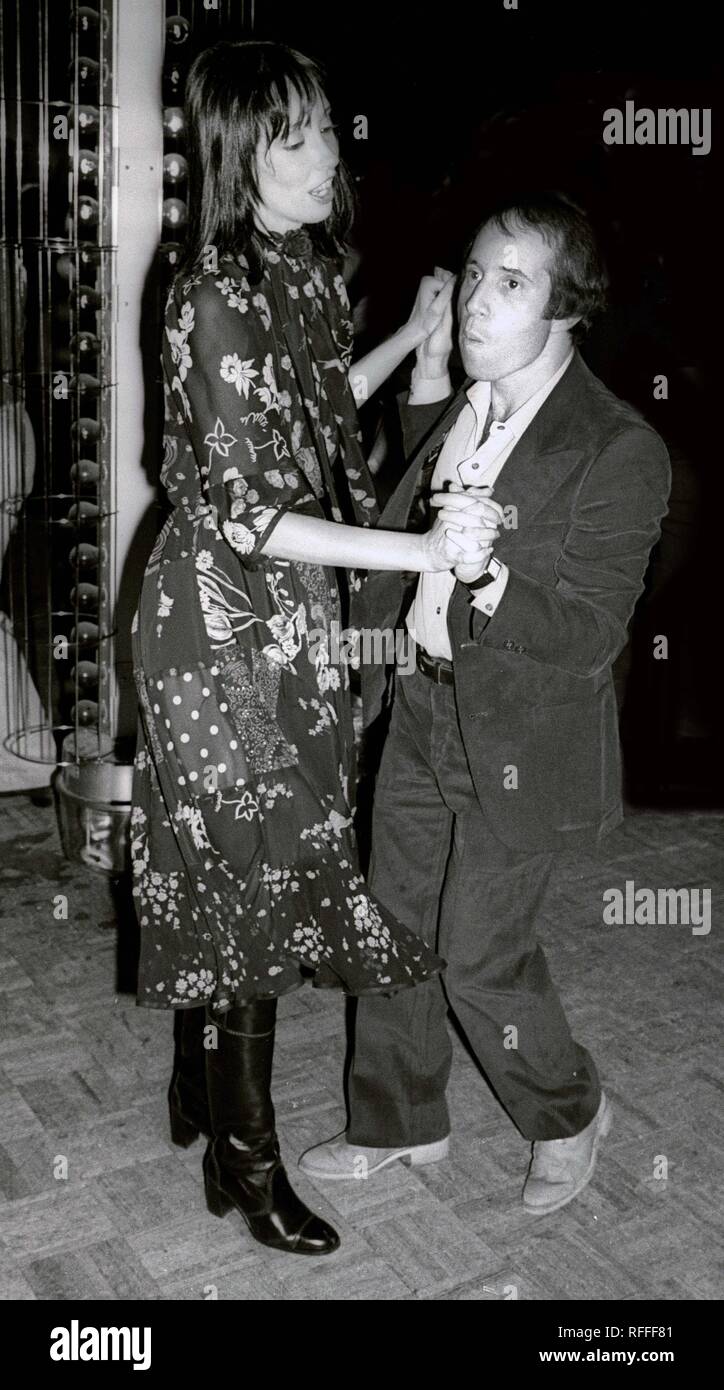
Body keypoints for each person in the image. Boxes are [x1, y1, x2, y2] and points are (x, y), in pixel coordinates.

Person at [130, 39, 491, 1257]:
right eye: (299, 133)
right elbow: (243, 505)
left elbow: (320, 402)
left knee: (256, 852)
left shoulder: (288, 269)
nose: (331, 149)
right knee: (255, 869)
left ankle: (198, 1079)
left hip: (290, 612)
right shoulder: (210, 291)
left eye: (329, 123)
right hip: (220, 617)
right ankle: (244, 1158)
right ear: (242, 153)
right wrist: (427, 556)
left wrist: (408, 330)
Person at [300, 193, 672, 1215]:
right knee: (391, 926)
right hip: (420, 707)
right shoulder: (476, 399)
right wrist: (425, 391)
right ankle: (399, 1120)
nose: (473, 299)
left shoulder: (617, 447)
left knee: (478, 956)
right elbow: (427, 498)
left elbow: (591, 634)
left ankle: (568, 1110)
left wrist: (491, 578)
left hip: (520, 737)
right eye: (471, 273)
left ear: (567, 307)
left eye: (508, 282)